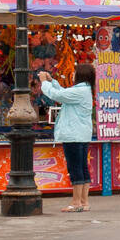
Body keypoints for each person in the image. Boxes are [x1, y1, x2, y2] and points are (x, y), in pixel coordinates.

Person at [38, 64, 95, 213]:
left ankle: (76, 202)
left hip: (73, 134)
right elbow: (64, 93)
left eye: (75, 73)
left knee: (75, 168)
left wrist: (44, 82)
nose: (73, 75)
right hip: (80, 134)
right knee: (82, 167)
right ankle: (84, 201)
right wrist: (52, 81)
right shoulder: (84, 90)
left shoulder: (80, 91)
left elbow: (57, 96)